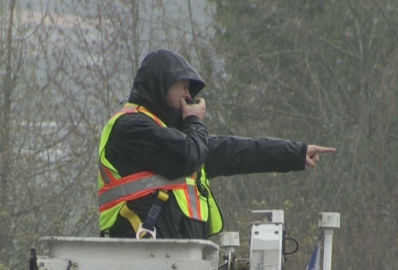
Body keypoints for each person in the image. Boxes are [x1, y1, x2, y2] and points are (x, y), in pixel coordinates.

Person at [97, 49, 336, 239]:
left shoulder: (173, 137)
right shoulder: (131, 128)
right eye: (183, 86)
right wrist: (193, 120)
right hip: (142, 263)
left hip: (177, 263)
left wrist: (296, 153)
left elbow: (236, 152)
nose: (189, 96)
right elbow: (186, 156)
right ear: (162, 84)